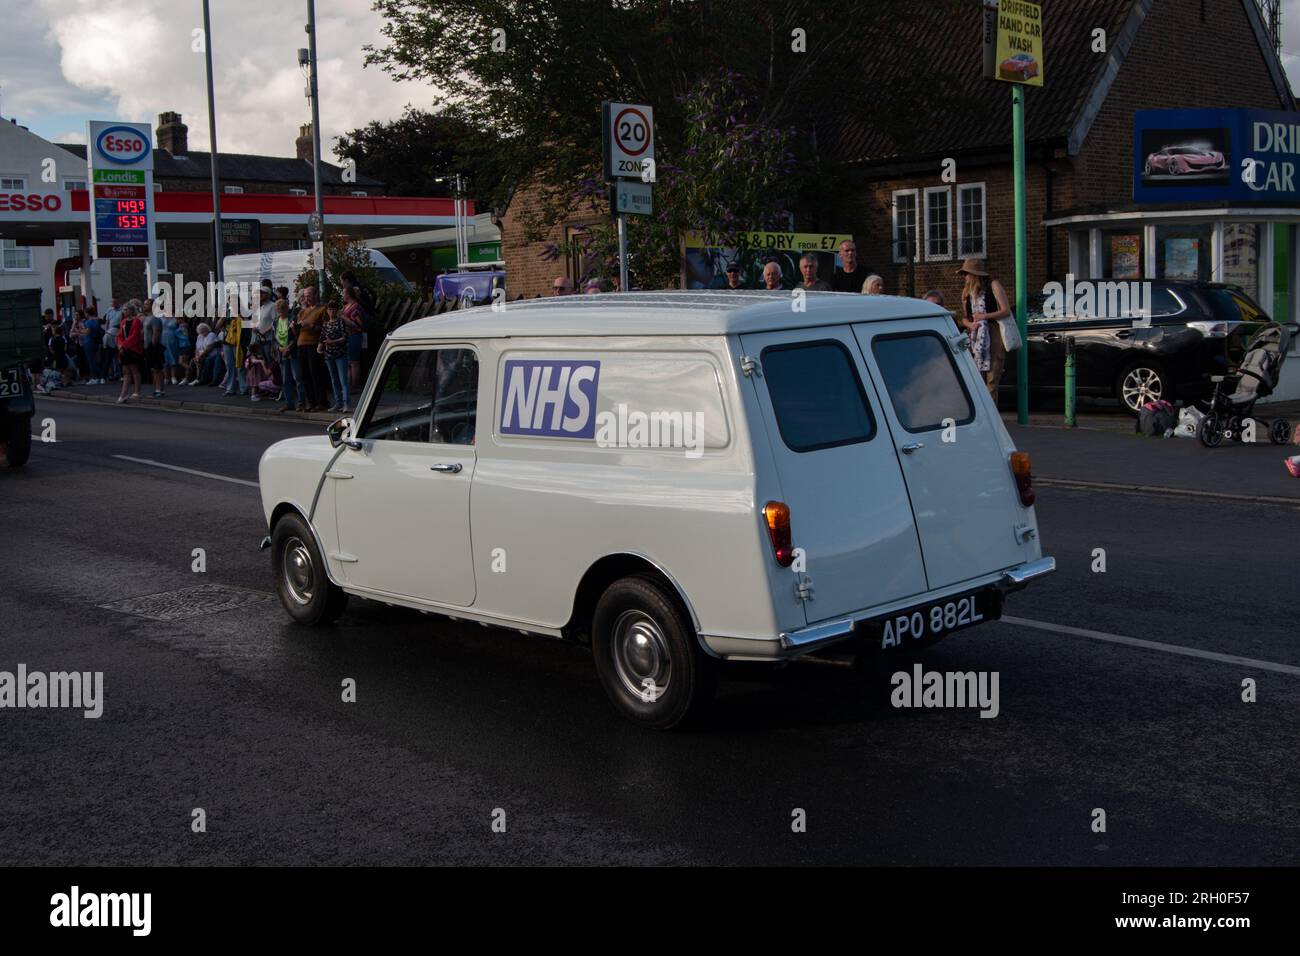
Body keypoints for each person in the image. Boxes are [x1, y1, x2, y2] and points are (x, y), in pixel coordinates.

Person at [957, 257, 1012, 398]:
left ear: (975, 274)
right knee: (977, 379)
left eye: (966, 273)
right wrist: (970, 324)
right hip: (975, 337)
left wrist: (984, 316)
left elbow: (1006, 310)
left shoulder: (993, 286)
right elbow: (964, 318)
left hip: (993, 332)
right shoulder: (966, 292)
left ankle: (992, 417)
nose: (964, 277)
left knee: (992, 378)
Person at [295, 286, 329, 411]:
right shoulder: (302, 312)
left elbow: (325, 328)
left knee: (316, 373)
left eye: (309, 295)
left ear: (315, 295)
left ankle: (322, 402)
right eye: (305, 296)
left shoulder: (322, 309)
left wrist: (311, 325)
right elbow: (296, 331)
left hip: (314, 344)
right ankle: (311, 402)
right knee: (305, 375)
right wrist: (294, 326)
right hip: (301, 344)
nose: (306, 298)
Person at [320, 301, 350, 412]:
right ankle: (338, 403)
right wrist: (320, 346)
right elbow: (322, 338)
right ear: (327, 311)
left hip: (340, 354)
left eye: (333, 309)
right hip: (329, 355)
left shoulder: (341, 322)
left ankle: (346, 403)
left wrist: (332, 341)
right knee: (334, 380)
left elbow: (345, 337)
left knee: (343, 380)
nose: (331, 311)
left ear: (337, 311)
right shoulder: (325, 324)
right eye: (329, 309)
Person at [273, 298, 299, 411]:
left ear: (287, 308)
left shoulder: (292, 319)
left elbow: (297, 336)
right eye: (278, 309)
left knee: (297, 378)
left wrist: (289, 347)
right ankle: (289, 403)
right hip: (282, 353)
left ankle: (301, 402)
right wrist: (279, 348)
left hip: (292, 352)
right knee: (286, 380)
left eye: (282, 308)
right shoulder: (275, 321)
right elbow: (274, 338)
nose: (280, 311)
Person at [116, 305, 146, 403]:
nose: (124, 311)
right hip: (123, 350)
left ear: (131, 311)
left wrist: (124, 345)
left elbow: (135, 336)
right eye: (123, 310)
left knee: (134, 370)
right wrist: (120, 345)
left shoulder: (136, 321)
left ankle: (137, 392)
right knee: (126, 372)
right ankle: (123, 394)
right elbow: (119, 335)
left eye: (126, 309)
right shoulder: (123, 321)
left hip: (132, 349)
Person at [341, 284, 366, 391]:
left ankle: (354, 386)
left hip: (354, 335)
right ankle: (349, 385)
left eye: (343, 293)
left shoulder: (356, 306)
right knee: (348, 362)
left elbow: (358, 324)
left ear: (348, 294)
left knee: (354, 362)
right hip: (346, 336)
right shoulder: (345, 306)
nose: (342, 295)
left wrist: (343, 317)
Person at [221, 303, 247, 396]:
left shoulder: (243, 314)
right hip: (227, 342)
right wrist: (222, 317)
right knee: (229, 366)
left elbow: (247, 327)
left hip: (238, 343)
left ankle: (244, 388)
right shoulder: (226, 314)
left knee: (239, 365)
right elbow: (217, 326)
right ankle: (230, 389)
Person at [142, 298, 166, 398]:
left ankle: (159, 390)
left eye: (146, 304)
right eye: (144, 304)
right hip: (147, 346)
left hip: (154, 347)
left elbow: (156, 333)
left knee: (157, 369)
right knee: (153, 369)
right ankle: (158, 389)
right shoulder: (146, 318)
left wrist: (152, 344)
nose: (144, 306)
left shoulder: (155, 319)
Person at [102, 297, 122, 382]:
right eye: (112, 302)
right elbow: (107, 323)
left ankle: (119, 374)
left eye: (114, 302)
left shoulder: (121, 311)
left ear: (118, 302)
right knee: (109, 357)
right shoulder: (109, 310)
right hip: (110, 334)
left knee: (118, 356)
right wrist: (106, 332)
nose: (113, 304)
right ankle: (107, 375)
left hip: (117, 334)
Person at [82, 309, 104, 384]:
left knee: (91, 360)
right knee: (96, 360)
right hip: (95, 342)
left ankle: (95, 377)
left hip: (89, 342)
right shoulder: (96, 321)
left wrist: (81, 331)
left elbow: (88, 332)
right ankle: (101, 376)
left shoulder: (88, 322)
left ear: (87, 313)